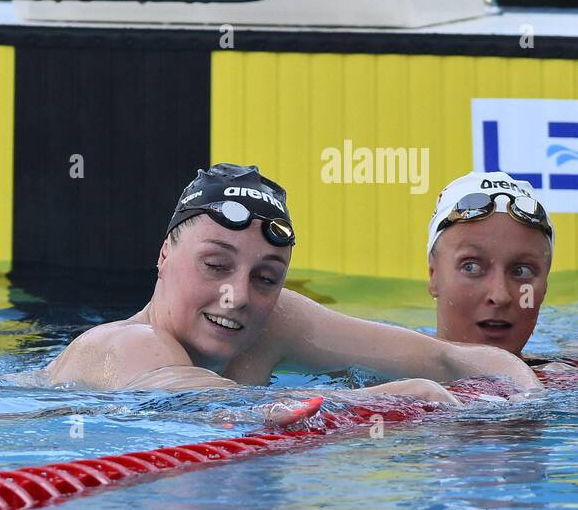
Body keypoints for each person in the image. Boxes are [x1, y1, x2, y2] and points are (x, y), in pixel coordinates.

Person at [40, 164, 541, 401]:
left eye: (266, 277)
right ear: (164, 255)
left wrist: (526, 390)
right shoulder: (124, 345)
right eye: (216, 265)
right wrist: (376, 399)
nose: (238, 296)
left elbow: (442, 356)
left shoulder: (275, 321)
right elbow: (197, 405)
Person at [426, 171, 574, 370]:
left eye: (522, 271)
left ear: (544, 287)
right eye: (471, 267)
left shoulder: (564, 377)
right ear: (433, 277)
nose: (500, 296)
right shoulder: (386, 375)